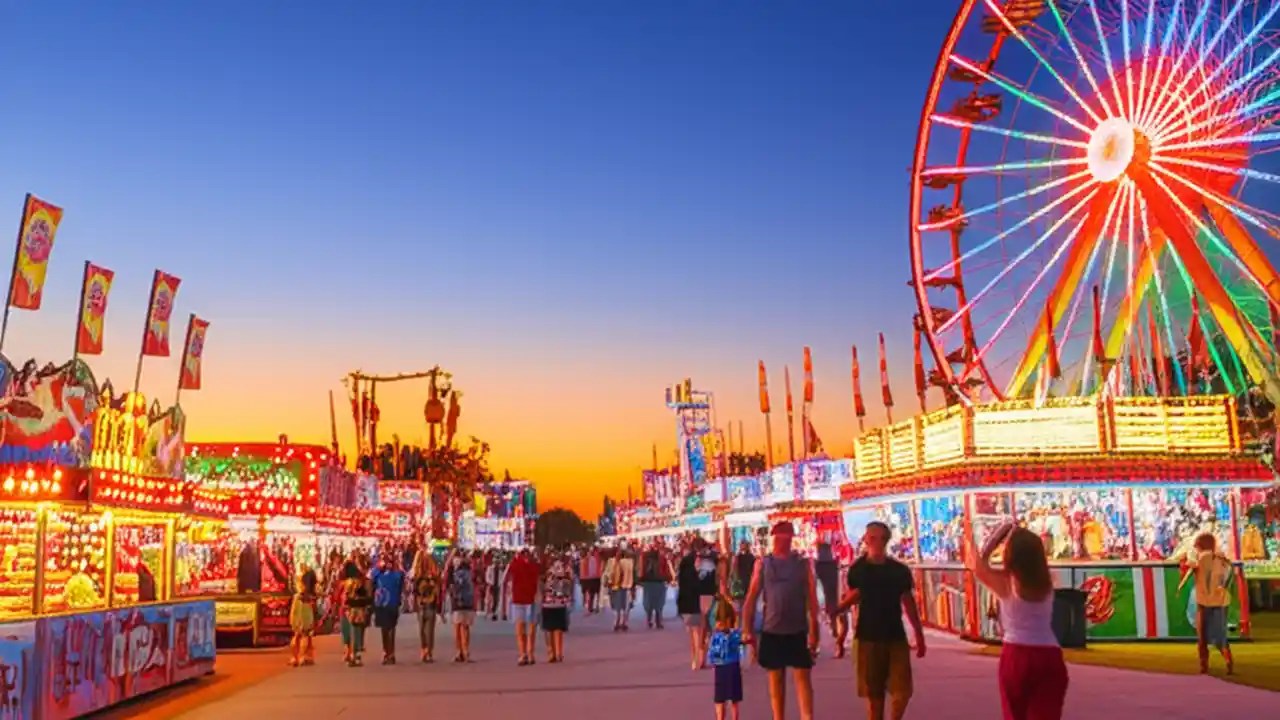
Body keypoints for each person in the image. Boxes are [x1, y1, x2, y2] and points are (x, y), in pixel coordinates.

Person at [967, 521, 1068, 720]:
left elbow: (976, 565)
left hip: (1017, 653)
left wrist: (997, 537)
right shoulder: (1047, 581)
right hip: (1049, 653)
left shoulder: (1007, 584)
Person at [838, 521, 926, 720]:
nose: (876, 542)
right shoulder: (858, 570)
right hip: (867, 637)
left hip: (895, 636)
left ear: (886, 541)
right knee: (874, 695)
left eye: (880, 538)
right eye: (872, 538)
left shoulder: (899, 571)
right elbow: (855, 594)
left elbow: (908, 602)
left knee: (902, 691)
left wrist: (919, 634)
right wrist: (839, 609)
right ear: (866, 540)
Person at [742, 522, 820, 720]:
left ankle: (807, 716)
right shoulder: (763, 564)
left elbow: (811, 600)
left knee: (802, 676)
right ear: (773, 538)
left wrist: (814, 631)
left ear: (791, 538)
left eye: (785, 537)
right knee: (776, 679)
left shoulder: (802, 564)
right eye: (778, 537)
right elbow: (751, 598)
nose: (781, 541)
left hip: (797, 629)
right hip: (772, 629)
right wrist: (747, 629)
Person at [1184, 532, 1235, 675]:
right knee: (1220, 636)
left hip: (1204, 601)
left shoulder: (1200, 558)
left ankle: (1204, 665)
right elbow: (1228, 576)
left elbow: (1189, 566)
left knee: (1202, 637)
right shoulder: (1221, 559)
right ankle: (1227, 660)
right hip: (1220, 601)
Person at [708, 595, 745, 720]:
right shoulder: (735, 634)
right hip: (733, 666)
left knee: (719, 699)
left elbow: (711, 653)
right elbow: (741, 644)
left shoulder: (715, 636)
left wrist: (713, 662)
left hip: (720, 667)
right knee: (734, 700)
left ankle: (720, 718)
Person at [505, 548, 542, 665]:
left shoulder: (532, 564)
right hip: (520, 599)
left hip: (529, 599)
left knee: (528, 629)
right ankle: (524, 654)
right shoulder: (516, 564)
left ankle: (528, 654)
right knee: (522, 628)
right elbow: (507, 579)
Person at [815, 533, 849, 658]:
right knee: (840, 618)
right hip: (838, 595)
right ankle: (839, 642)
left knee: (833, 617)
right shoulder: (836, 564)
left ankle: (837, 640)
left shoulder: (817, 566)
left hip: (827, 596)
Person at [678, 539, 710, 670]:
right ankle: (699, 659)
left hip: (686, 600)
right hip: (699, 598)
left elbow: (681, 581)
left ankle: (695, 659)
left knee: (692, 632)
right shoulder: (703, 560)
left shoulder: (685, 561)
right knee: (700, 631)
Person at [371, 553, 406, 665]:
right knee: (385, 630)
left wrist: (396, 565)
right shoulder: (380, 575)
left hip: (390, 604)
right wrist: (379, 567)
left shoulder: (394, 575)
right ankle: (387, 653)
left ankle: (390, 653)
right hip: (383, 605)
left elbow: (401, 576)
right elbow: (372, 577)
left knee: (389, 629)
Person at [541, 551, 574, 663]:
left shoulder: (546, 572)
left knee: (550, 630)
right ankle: (558, 653)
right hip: (558, 603)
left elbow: (542, 587)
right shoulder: (565, 570)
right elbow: (569, 585)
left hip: (549, 602)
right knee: (557, 630)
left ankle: (552, 653)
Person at [446, 551, 478, 662]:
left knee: (461, 627)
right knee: (462, 627)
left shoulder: (467, 570)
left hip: (463, 601)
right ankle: (462, 651)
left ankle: (463, 651)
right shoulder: (456, 571)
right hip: (462, 601)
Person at [411, 548, 442, 663]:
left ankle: (426, 650)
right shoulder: (420, 577)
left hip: (426, 605)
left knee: (425, 630)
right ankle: (426, 650)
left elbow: (437, 590)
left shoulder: (431, 577)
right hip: (425, 605)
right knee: (426, 630)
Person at [342, 559, 373, 667]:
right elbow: (366, 596)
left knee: (350, 632)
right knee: (358, 633)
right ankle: (356, 656)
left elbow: (345, 598)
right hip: (359, 609)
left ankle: (350, 655)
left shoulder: (347, 583)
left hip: (349, 610)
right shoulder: (360, 582)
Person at [638, 540, 673, 629]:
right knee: (659, 604)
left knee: (649, 603)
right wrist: (668, 579)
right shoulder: (662, 558)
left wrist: (640, 580)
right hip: (659, 583)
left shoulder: (645, 558)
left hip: (648, 583)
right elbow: (666, 571)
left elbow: (641, 571)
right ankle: (658, 621)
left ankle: (649, 620)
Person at [288, 566, 318, 666]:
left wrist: (293, 619)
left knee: (296, 636)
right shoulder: (311, 597)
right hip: (307, 618)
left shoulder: (298, 596)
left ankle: (294, 657)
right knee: (306, 636)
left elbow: (294, 610)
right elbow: (313, 611)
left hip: (297, 617)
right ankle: (303, 657)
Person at [604, 547, 636, 631]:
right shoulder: (628, 562)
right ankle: (621, 622)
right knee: (623, 606)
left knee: (620, 606)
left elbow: (607, 574)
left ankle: (620, 622)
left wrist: (607, 582)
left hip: (620, 586)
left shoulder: (625, 562)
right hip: (621, 586)